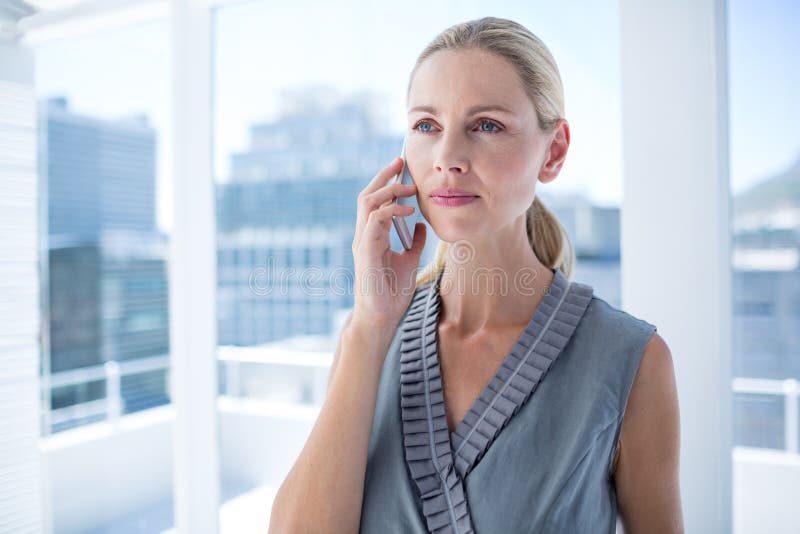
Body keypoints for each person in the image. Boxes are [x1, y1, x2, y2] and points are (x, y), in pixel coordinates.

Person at [269, 16, 683, 534]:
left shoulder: (631, 361)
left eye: (486, 125)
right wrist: (369, 327)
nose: (447, 158)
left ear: (553, 151)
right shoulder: (369, 337)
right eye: (426, 126)